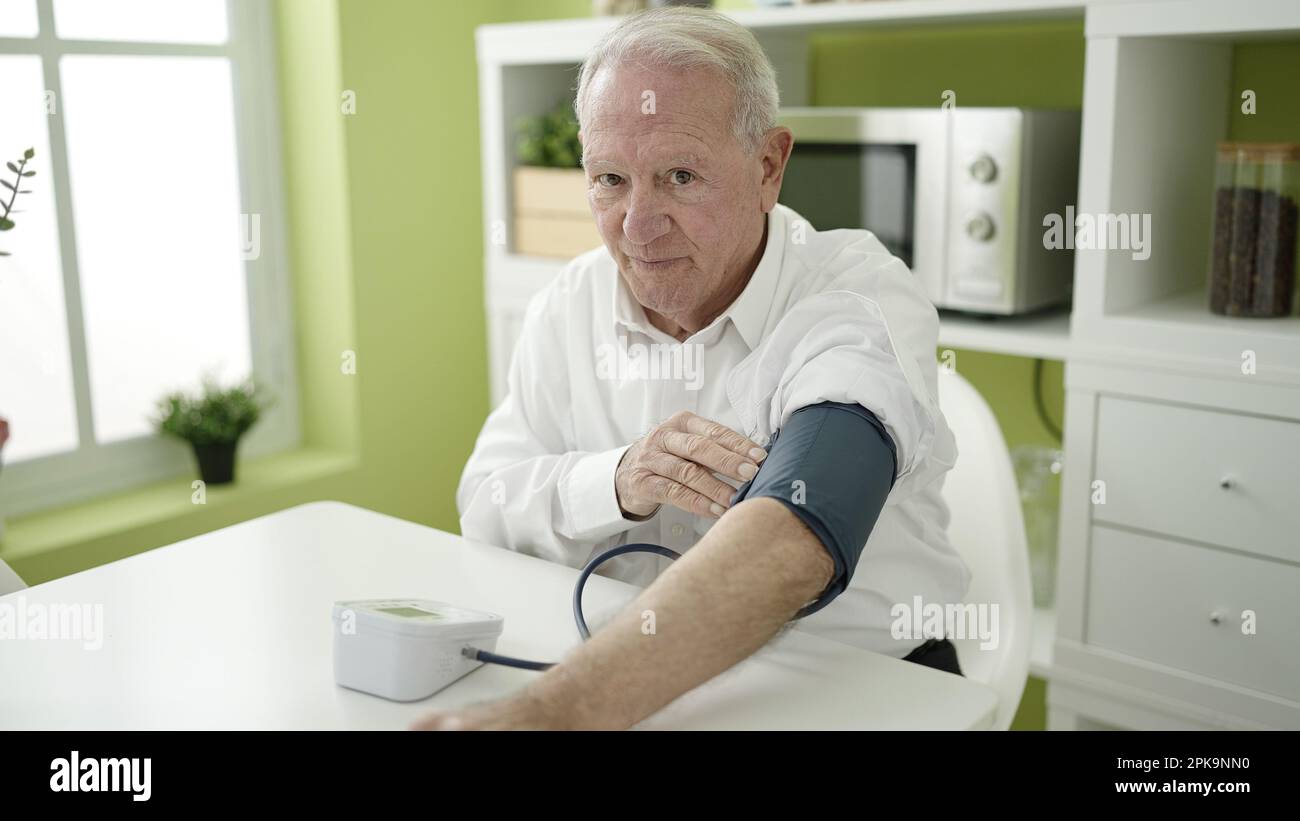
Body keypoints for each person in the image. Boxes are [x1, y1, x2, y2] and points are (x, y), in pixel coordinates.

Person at [414, 7, 969, 730]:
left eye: (679, 175)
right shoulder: (569, 302)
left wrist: (551, 715)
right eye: (610, 179)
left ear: (768, 165)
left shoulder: (856, 296)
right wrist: (613, 479)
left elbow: (799, 530)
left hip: (858, 691)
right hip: (638, 680)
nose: (638, 226)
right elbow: (485, 507)